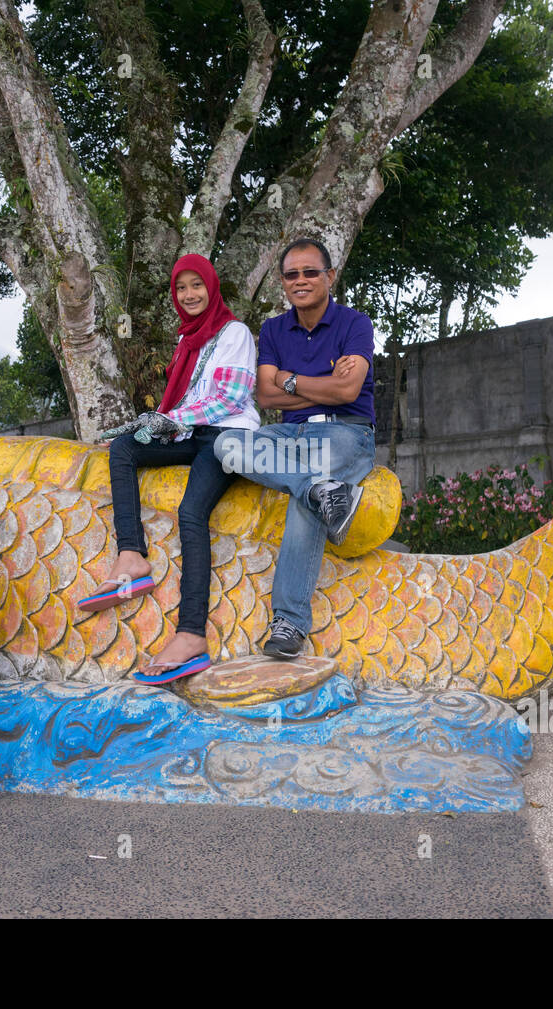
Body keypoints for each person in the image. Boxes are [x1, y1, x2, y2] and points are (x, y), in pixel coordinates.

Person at [84, 254, 259, 685]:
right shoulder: (187, 340)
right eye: (181, 288)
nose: (189, 294)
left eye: (196, 285)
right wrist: (148, 427)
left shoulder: (234, 332)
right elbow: (178, 405)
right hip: (193, 432)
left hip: (228, 436)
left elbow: (231, 398)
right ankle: (132, 556)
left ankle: (191, 636)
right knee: (124, 449)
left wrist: (172, 420)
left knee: (191, 513)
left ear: (211, 287)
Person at [213, 238, 376, 659]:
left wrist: (290, 380)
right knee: (227, 443)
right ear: (283, 282)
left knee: (304, 504)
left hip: (345, 432)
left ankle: (289, 623)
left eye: (310, 272)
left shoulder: (355, 324)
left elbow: (348, 389)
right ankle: (321, 489)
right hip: (289, 436)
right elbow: (265, 398)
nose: (300, 281)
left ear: (330, 276)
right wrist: (325, 387)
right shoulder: (272, 330)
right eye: (291, 275)